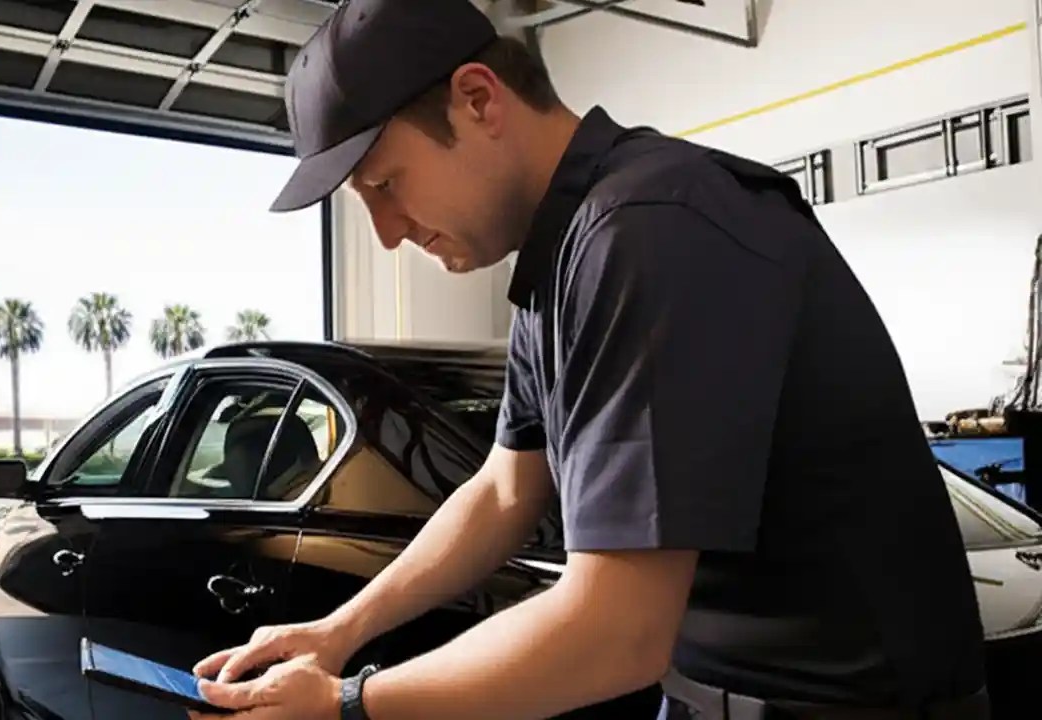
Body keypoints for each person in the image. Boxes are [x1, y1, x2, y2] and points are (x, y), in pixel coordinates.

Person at [188, 0, 992, 718]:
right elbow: (504, 490)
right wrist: (336, 633)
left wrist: (349, 707)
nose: (390, 232)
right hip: (716, 691)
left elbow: (616, 632)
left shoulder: (647, 229)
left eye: (386, 184)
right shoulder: (560, 256)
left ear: (478, 100)